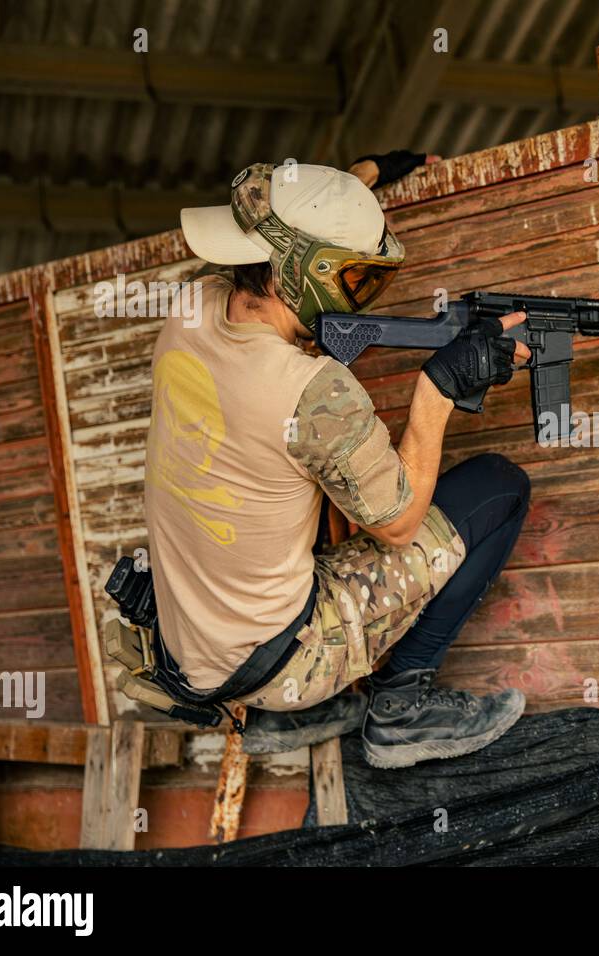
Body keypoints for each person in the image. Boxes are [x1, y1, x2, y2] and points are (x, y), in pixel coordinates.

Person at [145, 159, 531, 768]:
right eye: (354, 279)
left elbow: (275, 240)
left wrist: (357, 181)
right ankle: (400, 710)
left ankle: (280, 717)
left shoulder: (191, 307)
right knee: (499, 488)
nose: (361, 293)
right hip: (279, 658)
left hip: (192, 646)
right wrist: (437, 391)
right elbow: (399, 527)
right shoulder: (311, 390)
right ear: (301, 271)